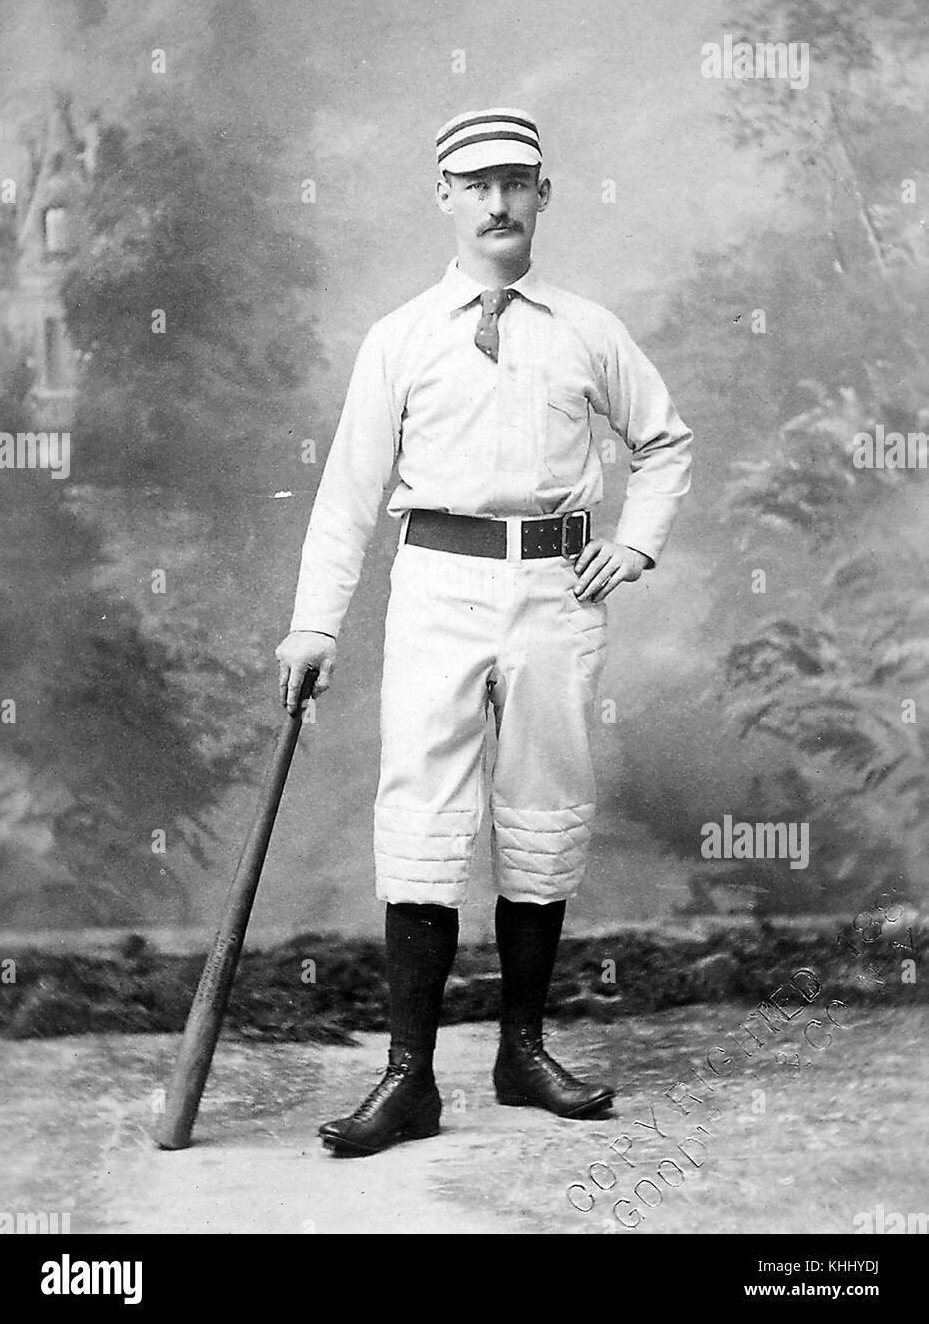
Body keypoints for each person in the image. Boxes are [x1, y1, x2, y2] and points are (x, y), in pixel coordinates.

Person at [275, 108, 693, 1156]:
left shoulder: (585, 328)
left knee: (544, 809)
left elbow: (664, 440)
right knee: (419, 812)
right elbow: (346, 497)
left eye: (516, 182)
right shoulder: (401, 337)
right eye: (477, 185)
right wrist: (312, 627)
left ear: (542, 195)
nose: (498, 203)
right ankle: (408, 1077)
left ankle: (521, 1048)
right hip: (438, 587)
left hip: (556, 588)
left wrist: (632, 546)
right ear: (445, 199)